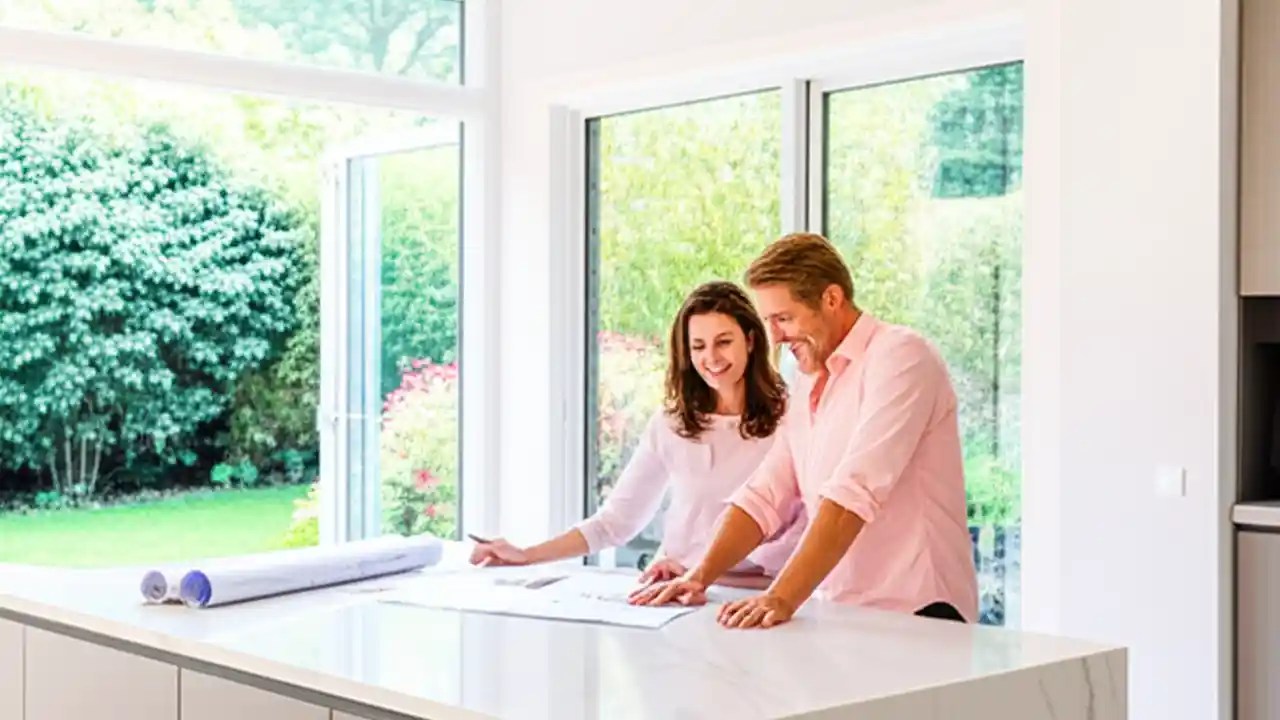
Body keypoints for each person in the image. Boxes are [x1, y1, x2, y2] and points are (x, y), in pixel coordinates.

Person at [630, 233, 978, 626]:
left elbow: (854, 491)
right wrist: (699, 577)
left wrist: (780, 596)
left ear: (831, 299)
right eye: (769, 321)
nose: (774, 336)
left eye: (784, 318)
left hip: (918, 610)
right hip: (844, 608)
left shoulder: (901, 357)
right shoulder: (810, 380)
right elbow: (766, 492)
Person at [470, 280, 804, 588]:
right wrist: (527, 555)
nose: (711, 358)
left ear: (750, 340)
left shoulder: (791, 417)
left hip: (759, 594)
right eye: (698, 346)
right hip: (676, 589)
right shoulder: (673, 423)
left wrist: (709, 573)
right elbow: (615, 522)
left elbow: (807, 523)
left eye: (724, 342)